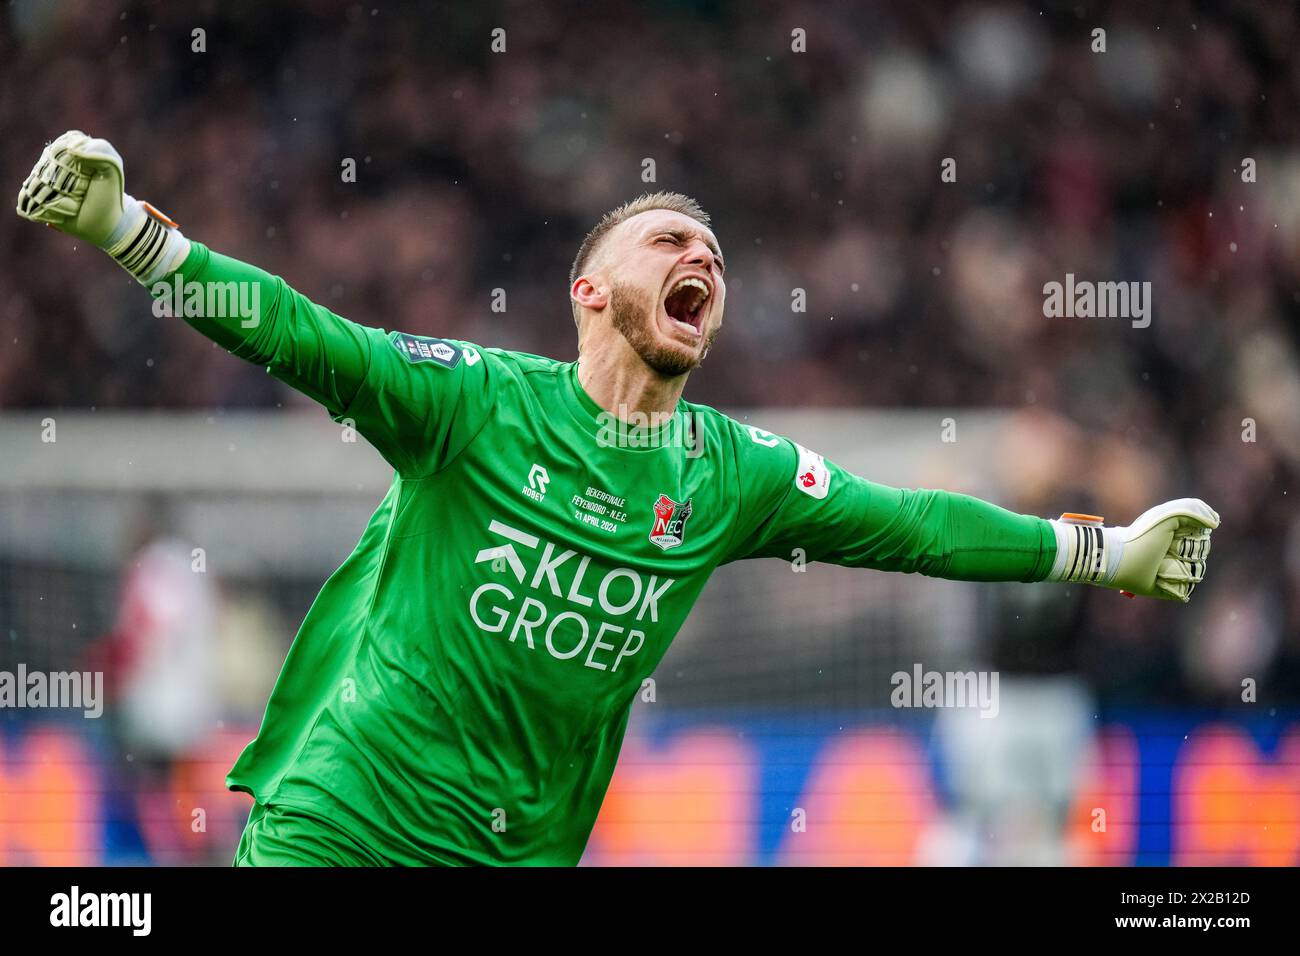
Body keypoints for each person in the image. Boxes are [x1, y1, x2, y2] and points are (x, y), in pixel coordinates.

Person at [16, 131, 1220, 866]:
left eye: (714, 256)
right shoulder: (478, 400)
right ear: (588, 290)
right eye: (668, 240)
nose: (702, 258)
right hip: (340, 825)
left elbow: (910, 524)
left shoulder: (731, 473)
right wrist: (127, 229)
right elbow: (296, 333)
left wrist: (1103, 551)